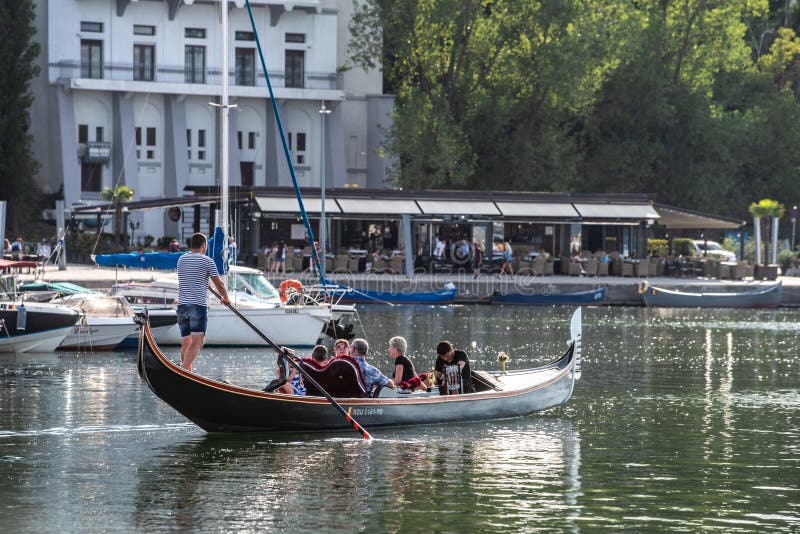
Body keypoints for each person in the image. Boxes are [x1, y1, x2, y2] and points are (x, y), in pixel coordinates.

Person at [176, 232, 230, 372]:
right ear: (204, 246)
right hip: (197, 306)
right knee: (198, 342)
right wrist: (225, 298)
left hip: (182, 307)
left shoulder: (181, 259)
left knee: (186, 343)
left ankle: (187, 372)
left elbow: (191, 278)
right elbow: (220, 284)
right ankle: (184, 370)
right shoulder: (207, 261)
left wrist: (206, 284)